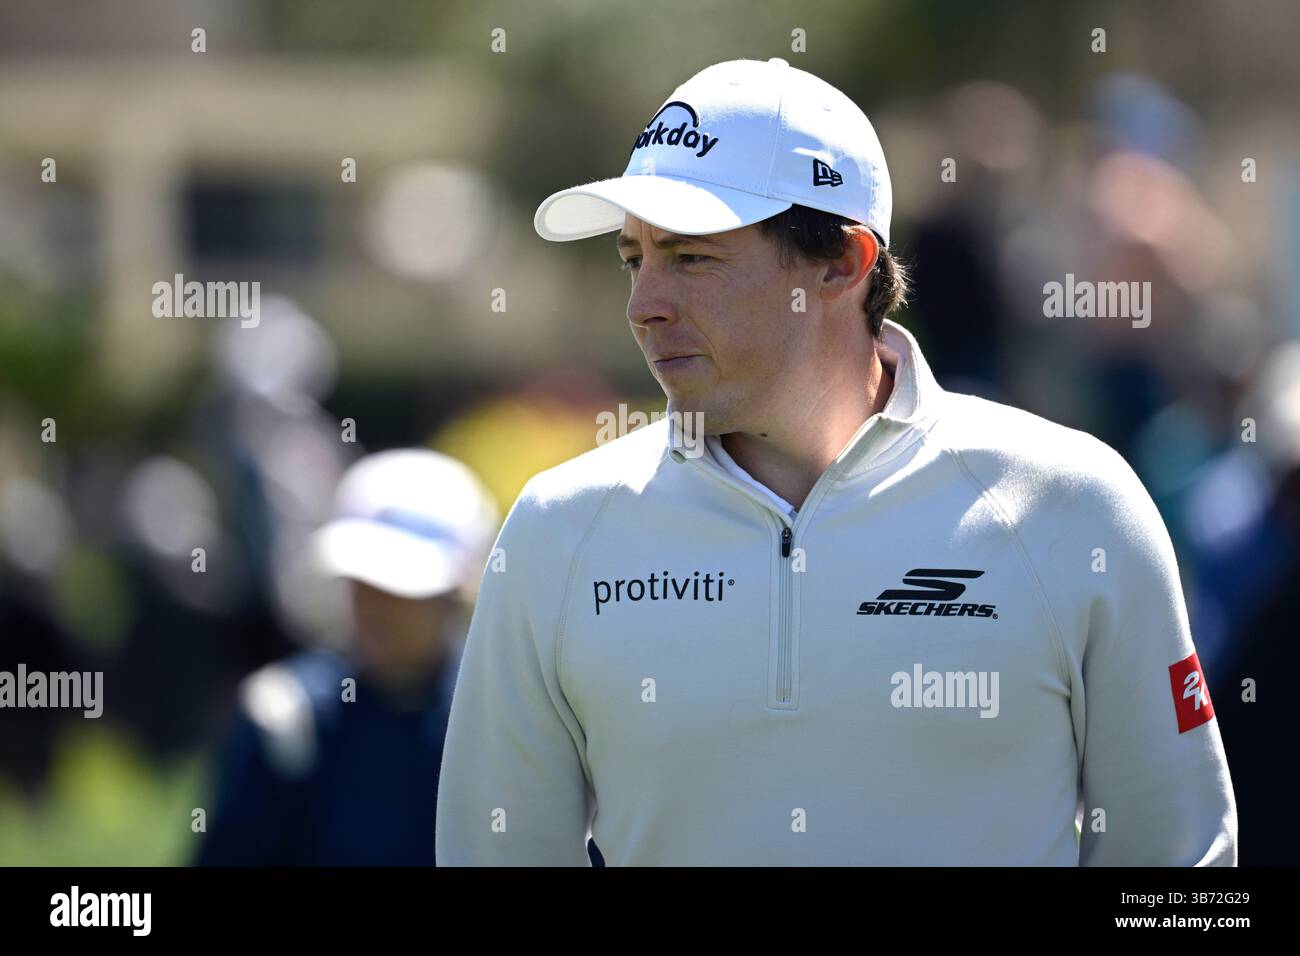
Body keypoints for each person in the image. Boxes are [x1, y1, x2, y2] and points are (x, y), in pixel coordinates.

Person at [436, 58, 1237, 865]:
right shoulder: (557, 530)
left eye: (690, 258)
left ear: (844, 264)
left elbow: (1181, 870)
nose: (644, 306)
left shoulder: (1073, 504)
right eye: (633, 258)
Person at [197, 448, 497, 865]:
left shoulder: (507, 722)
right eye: (363, 580)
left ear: (456, 594)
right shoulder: (285, 719)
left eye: (403, 586)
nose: (375, 605)